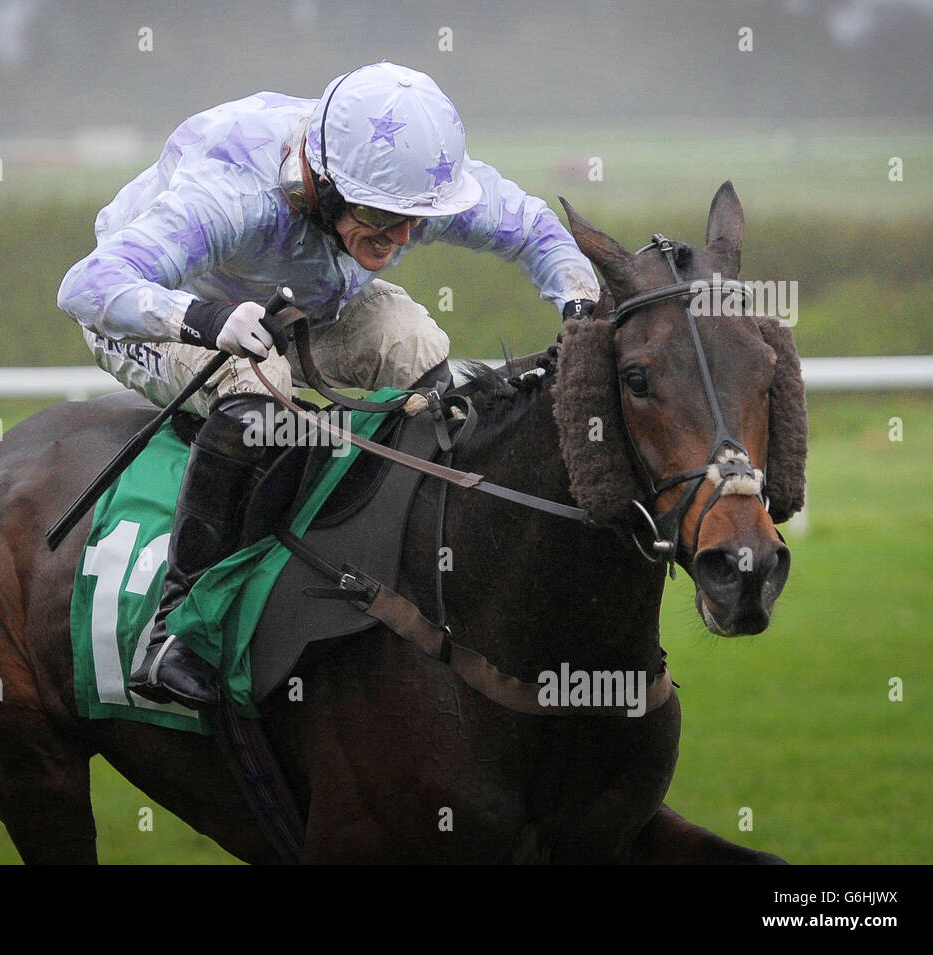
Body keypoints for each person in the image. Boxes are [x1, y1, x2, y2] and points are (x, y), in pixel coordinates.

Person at [58, 61, 598, 710]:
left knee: (419, 348)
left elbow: (539, 231)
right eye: (382, 218)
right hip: (161, 309)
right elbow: (84, 287)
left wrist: (577, 303)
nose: (400, 239)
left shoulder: (404, 175)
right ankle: (178, 625)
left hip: (304, 301)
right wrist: (204, 320)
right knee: (259, 391)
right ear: (322, 183)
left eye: (413, 221)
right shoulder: (233, 191)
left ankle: (421, 562)